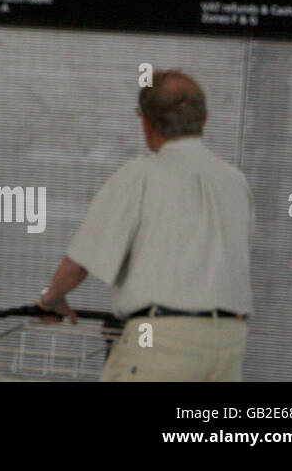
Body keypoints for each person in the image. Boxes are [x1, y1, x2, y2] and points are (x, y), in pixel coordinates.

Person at [37, 69, 254, 381]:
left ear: (147, 122)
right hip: (230, 342)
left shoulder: (139, 177)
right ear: (205, 119)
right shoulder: (235, 182)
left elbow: (79, 264)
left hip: (162, 341)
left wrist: (51, 298)